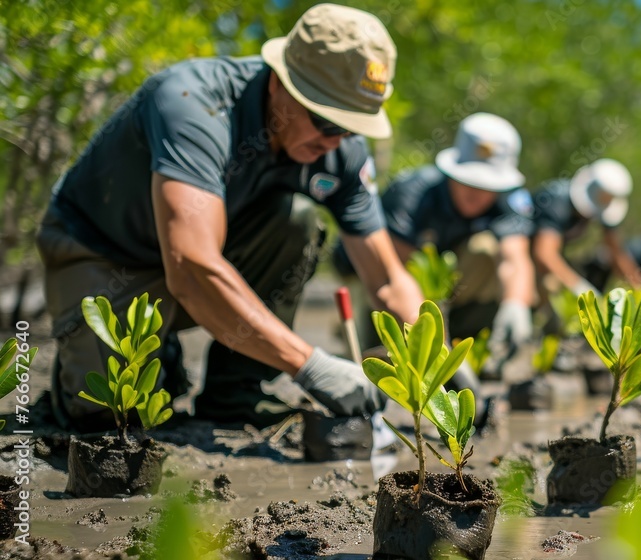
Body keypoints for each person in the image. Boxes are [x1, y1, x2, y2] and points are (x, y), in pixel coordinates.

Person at [35, 4, 424, 431]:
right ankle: (141, 353)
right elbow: (190, 269)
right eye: (326, 121)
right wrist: (309, 365)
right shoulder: (194, 103)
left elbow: (387, 278)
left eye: (353, 127)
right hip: (105, 254)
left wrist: (435, 365)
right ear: (280, 82)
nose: (336, 141)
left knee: (297, 218)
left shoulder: (339, 150)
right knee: (109, 416)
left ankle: (235, 388)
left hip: (202, 264)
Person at [337, 113, 536, 353]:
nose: (476, 193)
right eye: (469, 181)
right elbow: (391, 273)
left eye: (487, 186)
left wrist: (516, 304)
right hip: (372, 274)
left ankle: (466, 344)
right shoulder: (412, 192)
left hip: (444, 282)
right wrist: (432, 342)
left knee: (485, 249)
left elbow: (515, 259)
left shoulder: (510, 201)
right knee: (374, 354)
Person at [532, 159, 641, 302]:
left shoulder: (603, 209)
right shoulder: (558, 201)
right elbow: (545, 253)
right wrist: (578, 286)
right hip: (522, 249)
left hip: (548, 258)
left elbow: (616, 252)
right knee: (549, 287)